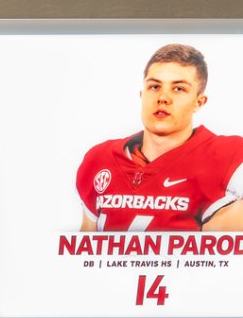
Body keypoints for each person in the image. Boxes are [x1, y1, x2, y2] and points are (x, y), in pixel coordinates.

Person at [76, 43, 243, 234]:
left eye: (178, 89)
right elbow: (84, 245)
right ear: (142, 95)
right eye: (154, 86)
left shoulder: (225, 156)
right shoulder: (99, 159)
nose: (163, 97)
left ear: (199, 102)